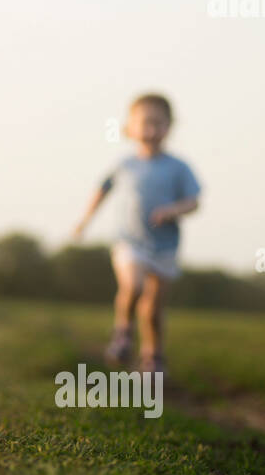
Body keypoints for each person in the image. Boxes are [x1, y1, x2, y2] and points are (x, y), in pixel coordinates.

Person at [73, 94, 201, 375]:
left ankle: (153, 356)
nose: (151, 130)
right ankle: (122, 332)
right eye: (145, 123)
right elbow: (102, 190)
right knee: (134, 286)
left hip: (165, 246)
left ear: (170, 127)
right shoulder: (125, 165)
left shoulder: (178, 167)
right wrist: (84, 221)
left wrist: (172, 210)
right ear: (129, 128)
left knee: (154, 310)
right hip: (129, 242)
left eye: (159, 123)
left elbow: (194, 201)